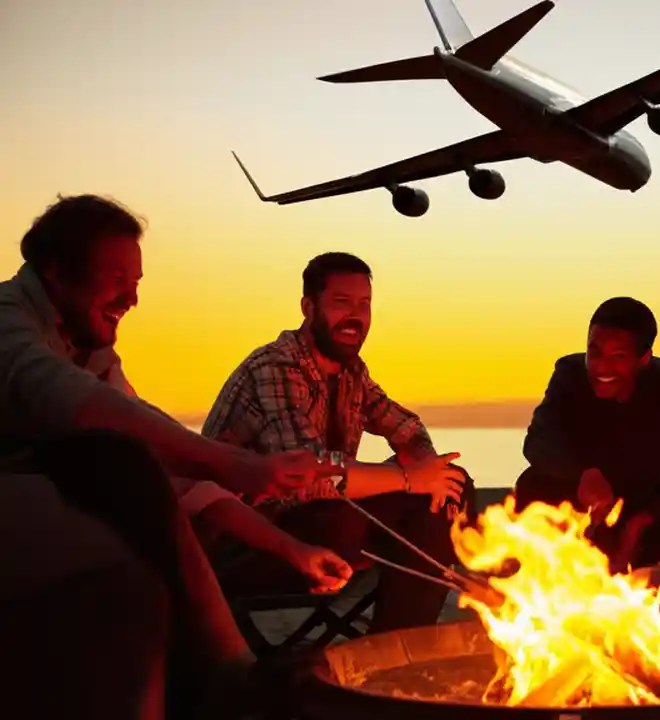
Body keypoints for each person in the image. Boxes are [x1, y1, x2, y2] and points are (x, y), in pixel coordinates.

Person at [0, 194, 334, 718]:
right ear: (56, 271)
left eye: (136, 282)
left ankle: (228, 668)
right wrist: (230, 462)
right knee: (114, 471)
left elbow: (165, 467)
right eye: (116, 278)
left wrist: (291, 549)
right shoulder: (8, 325)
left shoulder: (88, 352)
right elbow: (73, 403)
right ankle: (227, 673)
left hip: (50, 521)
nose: (131, 298)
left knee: (129, 477)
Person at [202, 251, 472, 632]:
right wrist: (409, 479)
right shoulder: (275, 367)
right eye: (341, 303)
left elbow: (406, 428)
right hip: (247, 540)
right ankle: (395, 647)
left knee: (452, 483)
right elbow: (309, 476)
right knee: (347, 518)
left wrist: (429, 472)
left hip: (320, 527)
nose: (356, 316)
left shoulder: (351, 373)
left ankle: (397, 645)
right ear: (308, 307)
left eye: (364, 304)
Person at [515, 297, 660, 575]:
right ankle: (544, 587)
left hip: (657, 505)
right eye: (595, 352)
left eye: (618, 357)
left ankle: (645, 592)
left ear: (644, 358)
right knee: (533, 483)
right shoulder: (569, 374)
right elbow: (539, 440)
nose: (602, 367)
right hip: (588, 500)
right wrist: (583, 474)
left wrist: (642, 521)